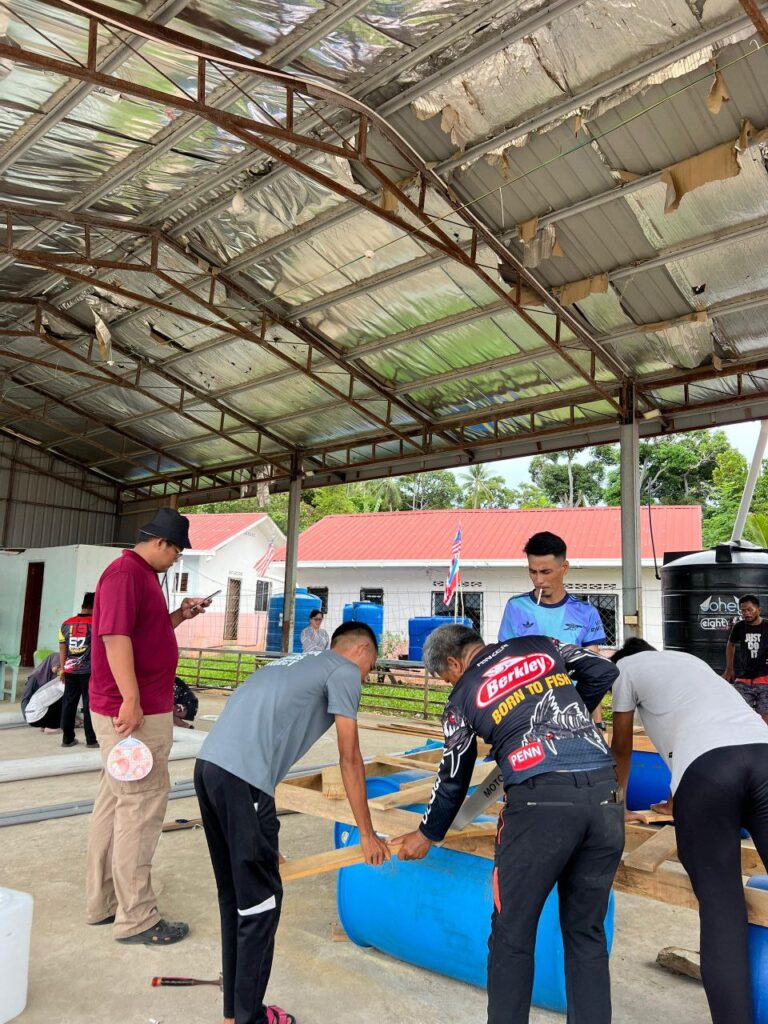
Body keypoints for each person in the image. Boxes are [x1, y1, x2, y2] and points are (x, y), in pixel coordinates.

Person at [397, 623, 622, 1024]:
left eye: (445, 676)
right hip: (605, 796)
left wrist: (427, 832)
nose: (449, 682)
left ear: (453, 662)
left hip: (539, 807)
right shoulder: (539, 645)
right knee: (586, 934)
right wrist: (572, 721)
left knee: (512, 937)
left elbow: (453, 776)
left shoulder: (462, 698)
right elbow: (603, 671)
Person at [194, 621, 390, 1024]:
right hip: (241, 780)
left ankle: (235, 1013)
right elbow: (350, 758)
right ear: (361, 652)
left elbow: (261, 733)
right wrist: (367, 833)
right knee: (261, 904)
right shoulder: (345, 669)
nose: (366, 678)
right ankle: (249, 1018)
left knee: (238, 897)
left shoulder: (292, 664)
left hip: (210, 768)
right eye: (370, 668)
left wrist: (263, 835)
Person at [610, 638, 768, 1024]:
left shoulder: (624, 672)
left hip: (709, 774)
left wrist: (615, 809)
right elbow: (696, 730)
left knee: (722, 909)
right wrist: (674, 804)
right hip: (764, 756)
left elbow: (622, 749)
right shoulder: (689, 662)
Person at [86, 507, 211, 946]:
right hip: (133, 714)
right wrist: (132, 699)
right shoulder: (125, 575)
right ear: (162, 543)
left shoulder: (142, 578)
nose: (177, 559)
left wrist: (180, 616)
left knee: (116, 803)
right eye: (177, 552)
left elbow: (144, 635)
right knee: (140, 808)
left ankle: (102, 902)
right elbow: (114, 638)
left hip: (138, 708)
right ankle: (136, 917)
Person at [498, 531, 607, 650]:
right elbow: (505, 654)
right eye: (533, 572)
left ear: (564, 568)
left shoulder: (586, 612)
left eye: (546, 572)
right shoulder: (516, 606)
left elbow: (591, 662)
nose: (539, 580)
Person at [58, 592, 97, 748]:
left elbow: (62, 648)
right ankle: (91, 740)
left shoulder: (66, 624)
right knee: (89, 704)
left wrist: (62, 669)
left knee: (68, 703)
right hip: (89, 672)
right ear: (95, 606)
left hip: (69, 670)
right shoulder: (96, 623)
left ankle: (67, 739)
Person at [725, 594, 768, 721]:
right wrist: (729, 669)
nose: (746, 613)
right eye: (743, 610)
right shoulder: (739, 626)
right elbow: (730, 644)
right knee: (739, 715)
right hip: (744, 679)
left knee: (765, 716)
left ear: (759, 610)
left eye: (750, 609)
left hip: (765, 679)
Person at [20, 651, 62, 732]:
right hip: (35, 712)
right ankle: (51, 726)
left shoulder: (54, 677)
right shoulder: (35, 677)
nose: (60, 669)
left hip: (44, 710)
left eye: (61, 666)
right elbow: (25, 699)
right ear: (51, 662)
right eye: (58, 666)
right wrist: (27, 717)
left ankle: (48, 724)